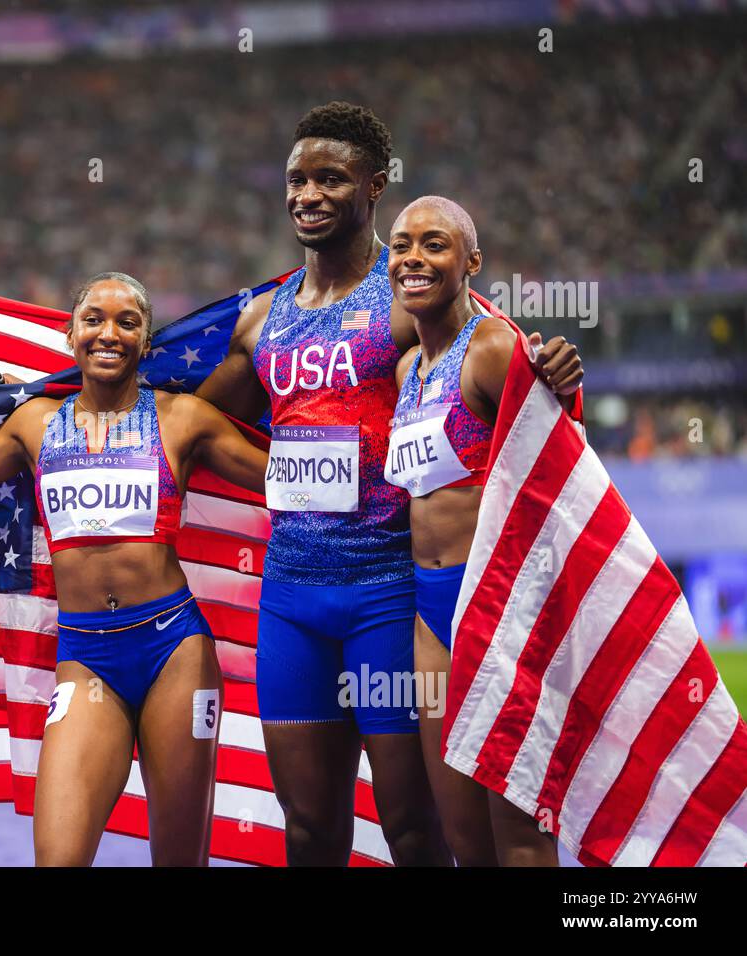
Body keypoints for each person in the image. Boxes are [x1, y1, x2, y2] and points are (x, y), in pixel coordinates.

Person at [196, 102, 582, 865]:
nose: (307, 194)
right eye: (296, 179)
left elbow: (502, 363)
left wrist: (562, 380)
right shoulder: (262, 320)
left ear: (373, 187)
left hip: (391, 596)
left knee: (416, 826)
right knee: (306, 828)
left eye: (329, 179)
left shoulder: (409, 294)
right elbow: (191, 425)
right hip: (292, 601)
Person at [0, 272, 269, 865]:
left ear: (147, 343)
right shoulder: (36, 424)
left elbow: (286, 479)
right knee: (58, 856)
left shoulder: (183, 419)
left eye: (129, 322)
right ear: (70, 333)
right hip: (85, 657)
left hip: (174, 651)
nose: (109, 333)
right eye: (94, 318)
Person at [385, 195, 577, 866]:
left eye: (434, 245)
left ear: (472, 262)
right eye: (402, 245)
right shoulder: (408, 371)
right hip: (430, 616)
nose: (413, 258)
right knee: (465, 836)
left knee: (519, 833)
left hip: (499, 611)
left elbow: (562, 459)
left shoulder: (493, 347)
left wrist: (565, 388)